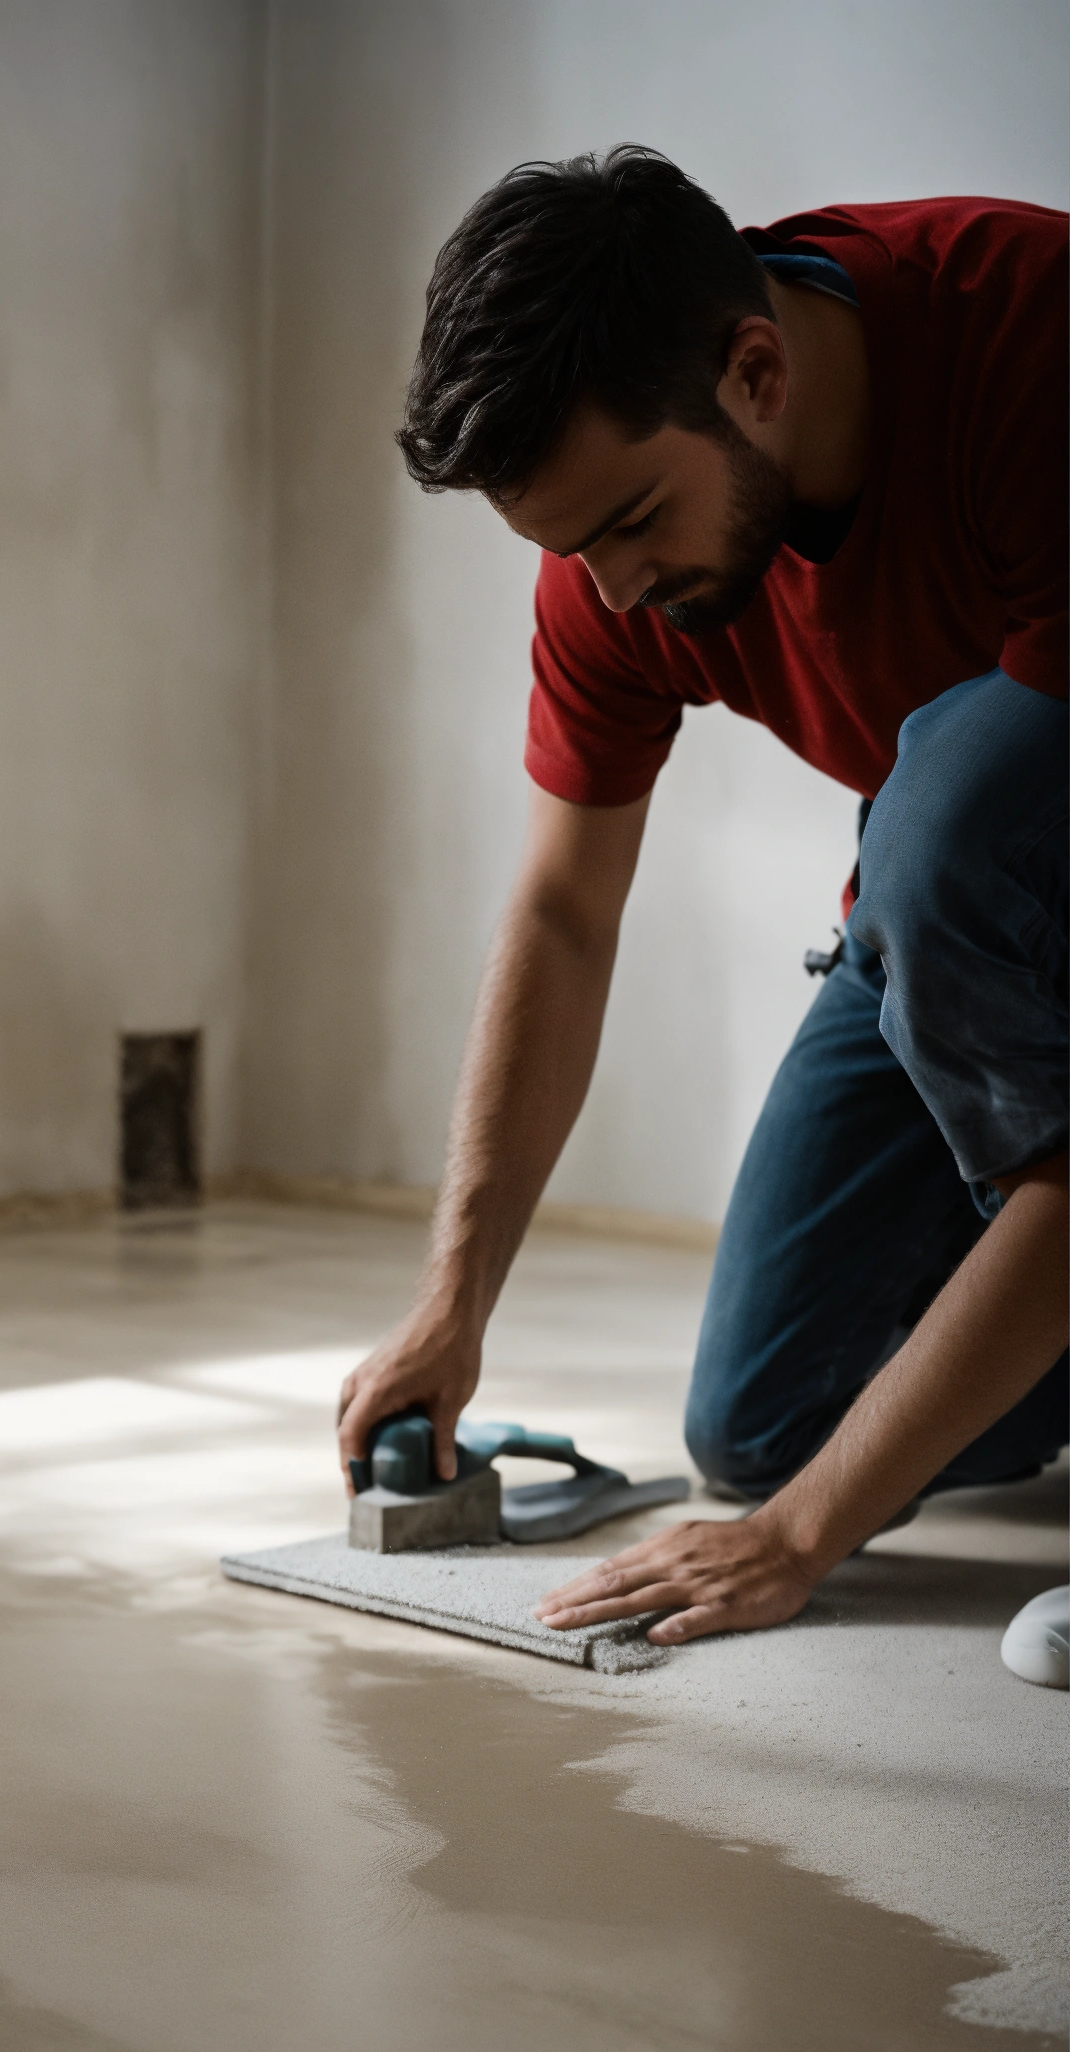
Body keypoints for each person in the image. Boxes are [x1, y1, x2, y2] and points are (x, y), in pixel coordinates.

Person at [335, 148, 1068, 1668]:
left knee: (954, 798)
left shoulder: (1034, 342)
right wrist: (451, 1303)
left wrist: (805, 1542)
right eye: (565, 553)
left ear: (755, 371)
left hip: (989, 850)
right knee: (769, 1420)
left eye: (627, 523)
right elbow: (562, 914)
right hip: (961, 889)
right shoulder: (611, 573)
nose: (610, 594)